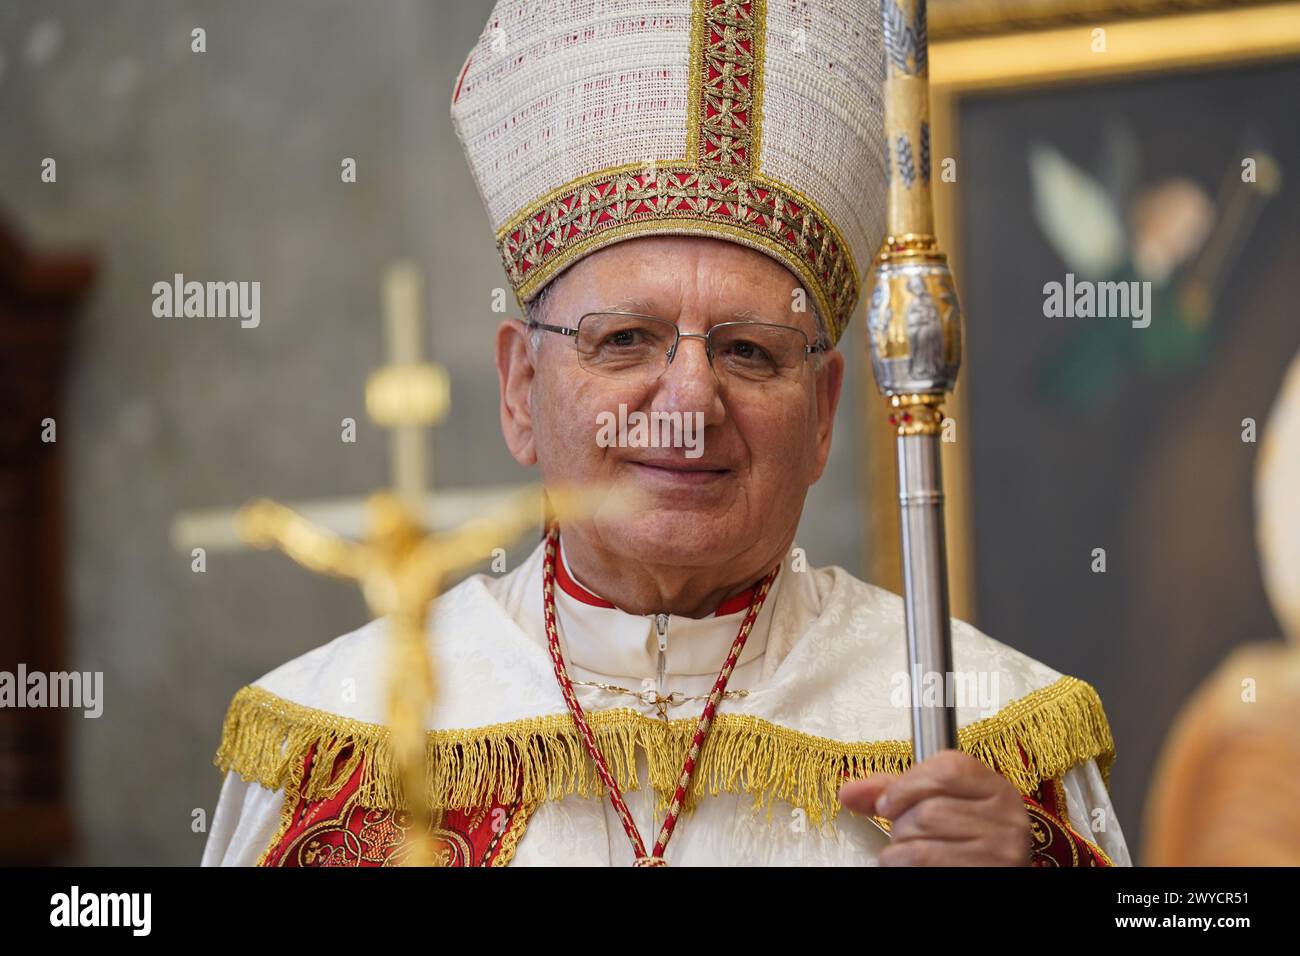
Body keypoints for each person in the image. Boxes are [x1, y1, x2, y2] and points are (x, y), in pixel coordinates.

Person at [201, 0, 1129, 867]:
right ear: (523, 390)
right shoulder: (341, 741)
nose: (691, 398)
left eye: (752, 352)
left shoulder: (984, 739)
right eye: (626, 339)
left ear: (824, 414)